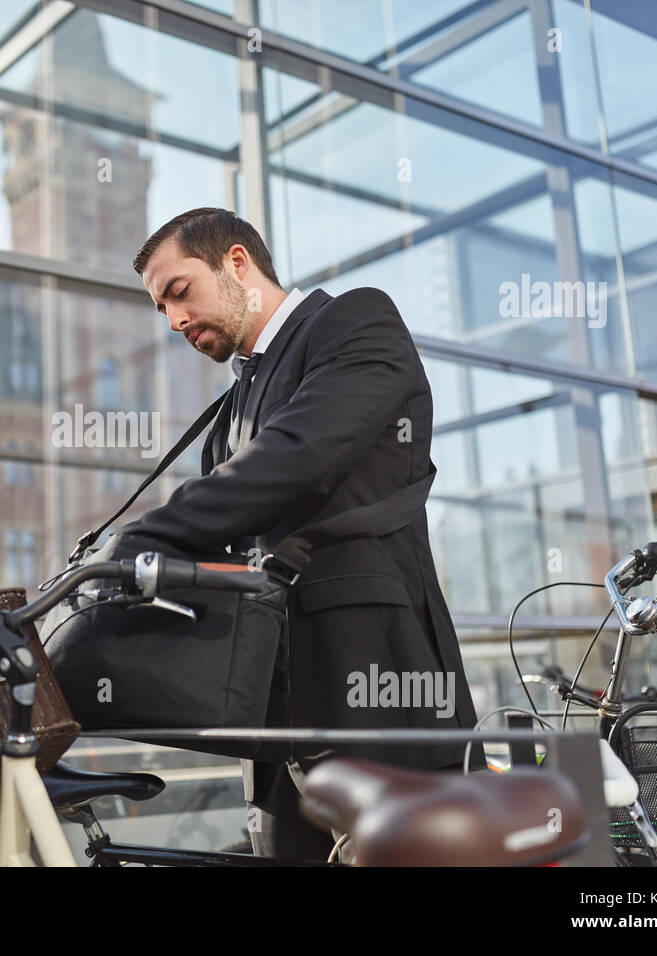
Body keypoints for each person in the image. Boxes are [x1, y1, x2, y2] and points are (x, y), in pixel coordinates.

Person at [117, 207, 480, 860]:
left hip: (377, 687)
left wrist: (143, 539)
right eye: (162, 308)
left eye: (179, 293)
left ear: (236, 263)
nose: (174, 320)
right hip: (273, 718)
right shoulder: (230, 409)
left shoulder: (353, 321)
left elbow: (297, 454)